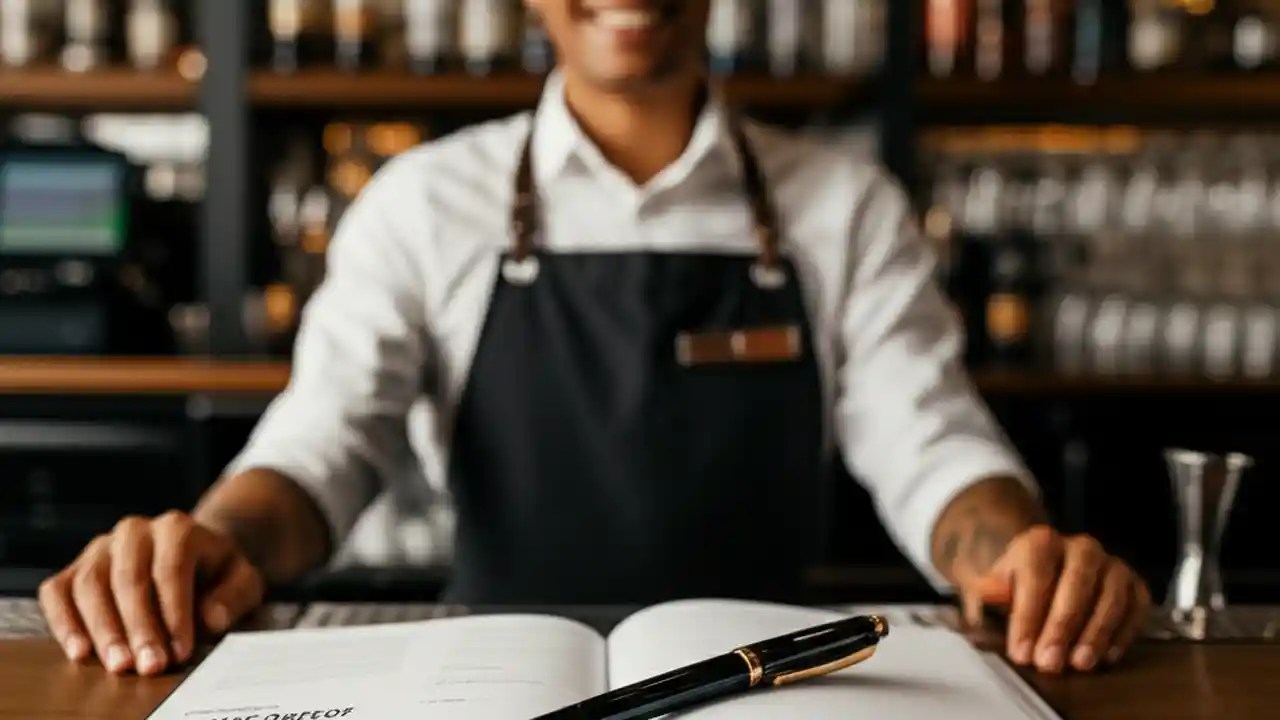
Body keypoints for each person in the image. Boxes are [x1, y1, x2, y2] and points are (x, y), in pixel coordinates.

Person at [39, 0, 1149, 680]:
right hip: (491, 687)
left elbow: (932, 447)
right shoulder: (424, 201)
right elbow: (325, 442)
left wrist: (1011, 556)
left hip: (768, 692)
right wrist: (217, 540)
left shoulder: (842, 205)